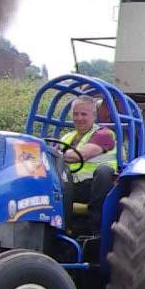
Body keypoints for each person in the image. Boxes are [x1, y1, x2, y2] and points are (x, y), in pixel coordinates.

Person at [56, 96, 118, 226]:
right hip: (71, 185)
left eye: (83, 114)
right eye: (75, 114)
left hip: (94, 186)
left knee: (104, 171)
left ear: (94, 116)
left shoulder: (104, 134)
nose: (79, 118)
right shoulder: (67, 137)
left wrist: (56, 154)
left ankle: (96, 227)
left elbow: (81, 155)